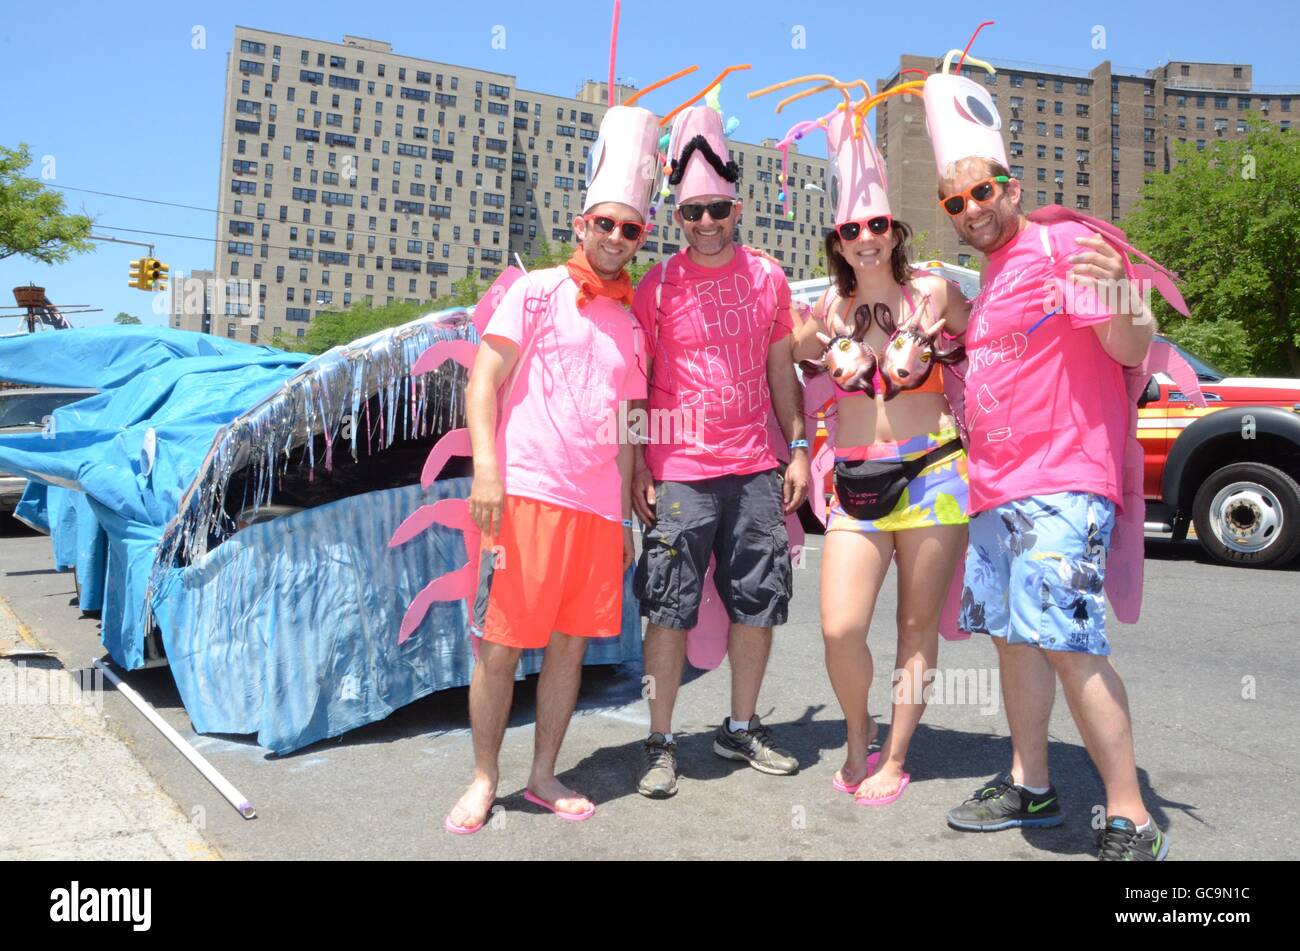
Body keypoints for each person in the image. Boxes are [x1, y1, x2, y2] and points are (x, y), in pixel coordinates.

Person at [921, 56, 1168, 859]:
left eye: (981, 192)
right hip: (996, 491)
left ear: (1011, 187)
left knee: (1067, 642)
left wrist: (1128, 299)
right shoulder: (991, 278)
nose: (970, 209)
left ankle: (1129, 814)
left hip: (1062, 483)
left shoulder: (1065, 245)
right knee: (1015, 639)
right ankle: (1032, 784)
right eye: (954, 201)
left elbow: (1127, 344)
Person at [444, 104, 658, 834]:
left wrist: (629, 511)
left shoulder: (632, 323)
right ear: (580, 224)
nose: (617, 238)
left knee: (570, 646)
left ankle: (542, 772)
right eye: (606, 224)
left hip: (598, 513)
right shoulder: (532, 290)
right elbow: (483, 381)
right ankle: (483, 776)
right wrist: (487, 471)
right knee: (500, 643)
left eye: (631, 229)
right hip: (525, 495)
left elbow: (633, 421)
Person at [786, 104, 970, 806]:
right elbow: (784, 361)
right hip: (857, 479)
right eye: (851, 229)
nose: (866, 237)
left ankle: (895, 756)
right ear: (838, 238)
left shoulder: (935, 292)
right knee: (839, 627)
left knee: (914, 626)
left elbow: (988, 352)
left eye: (877, 226)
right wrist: (802, 435)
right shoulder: (827, 311)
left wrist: (944, 339)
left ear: (895, 231)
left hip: (935, 472)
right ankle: (858, 730)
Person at [631, 104, 810, 798]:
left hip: (755, 466)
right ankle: (661, 738)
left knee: (757, 601)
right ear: (677, 217)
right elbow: (637, 381)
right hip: (679, 472)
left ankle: (739, 726)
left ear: (737, 206)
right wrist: (641, 461)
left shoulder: (768, 277)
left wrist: (794, 447)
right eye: (692, 212)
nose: (706, 222)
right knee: (668, 605)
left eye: (717, 209)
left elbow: (779, 370)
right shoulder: (658, 285)